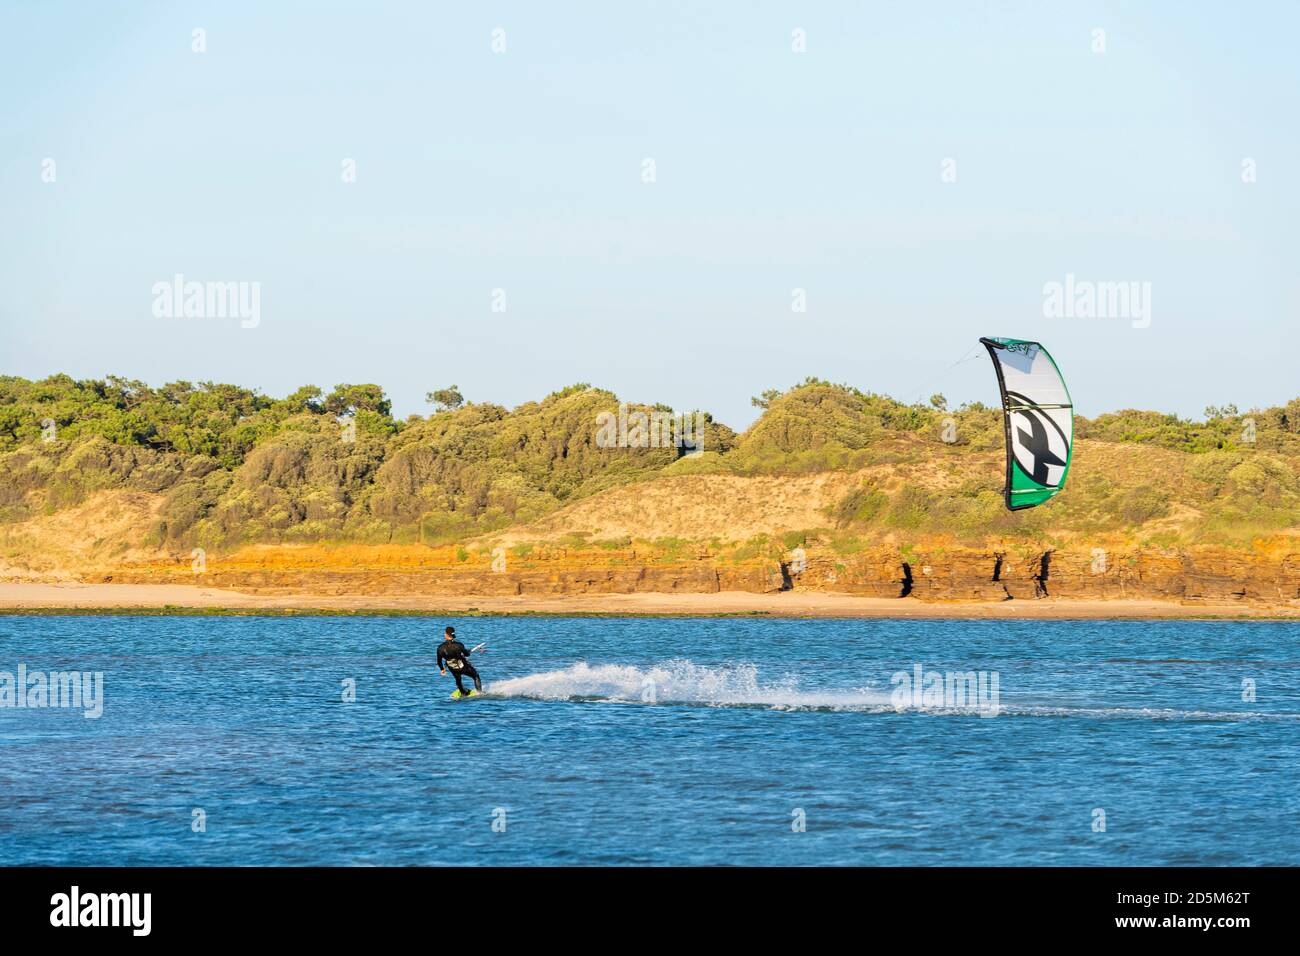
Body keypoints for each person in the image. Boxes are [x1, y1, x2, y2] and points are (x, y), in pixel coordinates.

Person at [437, 626, 482, 697]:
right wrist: (467, 652)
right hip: (463, 667)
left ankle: (463, 693)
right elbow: (467, 654)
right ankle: (480, 693)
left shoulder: (440, 648)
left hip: (453, 668)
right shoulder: (459, 645)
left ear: (446, 634)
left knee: (458, 679)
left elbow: (439, 661)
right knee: (476, 676)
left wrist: (442, 669)